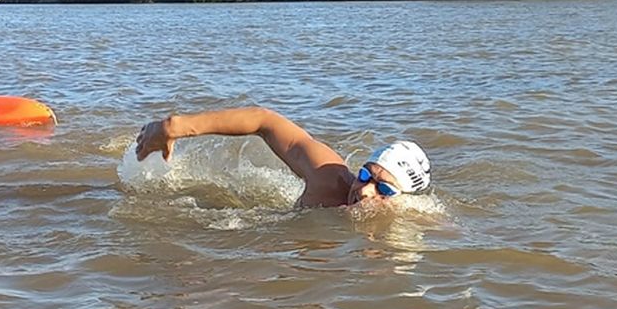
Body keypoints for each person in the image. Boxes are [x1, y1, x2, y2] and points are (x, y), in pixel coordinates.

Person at [136, 107, 431, 207]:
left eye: (385, 189)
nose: (364, 190)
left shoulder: (417, 222)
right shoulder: (329, 179)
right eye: (366, 175)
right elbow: (266, 122)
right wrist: (178, 126)